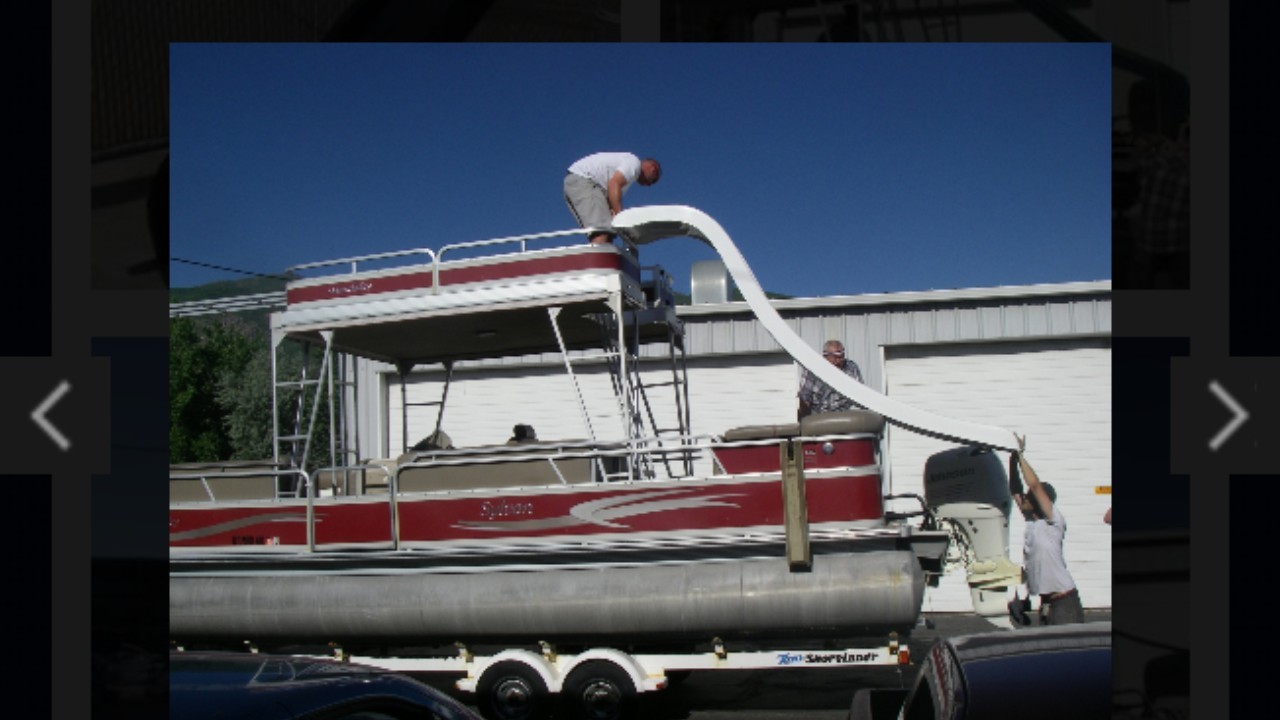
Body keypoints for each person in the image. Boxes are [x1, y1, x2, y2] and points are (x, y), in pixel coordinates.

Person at [1010, 435, 1084, 626]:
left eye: (1027, 498)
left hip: (1064, 602)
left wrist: (1020, 454)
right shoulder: (1032, 522)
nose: (1023, 500)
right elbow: (1015, 490)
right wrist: (1011, 458)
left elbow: (1034, 485)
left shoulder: (1053, 522)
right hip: (1047, 603)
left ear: (1037, 502)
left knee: (1067, 652)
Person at [563, 152, 662, 244]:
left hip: (577, 182)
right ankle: (597, 262)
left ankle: (598, 258)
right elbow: (614, 184)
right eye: (652, 181)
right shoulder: (634, 163)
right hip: (584, 180)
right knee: (602, 231)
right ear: (652, 169)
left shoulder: (627, 174)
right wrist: (621, 217)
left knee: (606, 232)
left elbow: (612, 195)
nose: (648, 185)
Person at [796, 339, 864, 420]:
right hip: (820, 416)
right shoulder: (812, 370)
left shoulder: (851, 367)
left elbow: (860, 393)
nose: (839, 361)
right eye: (835, 357)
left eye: (841, 357)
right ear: (825, 356)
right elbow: (804, 398)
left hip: (845, 414)